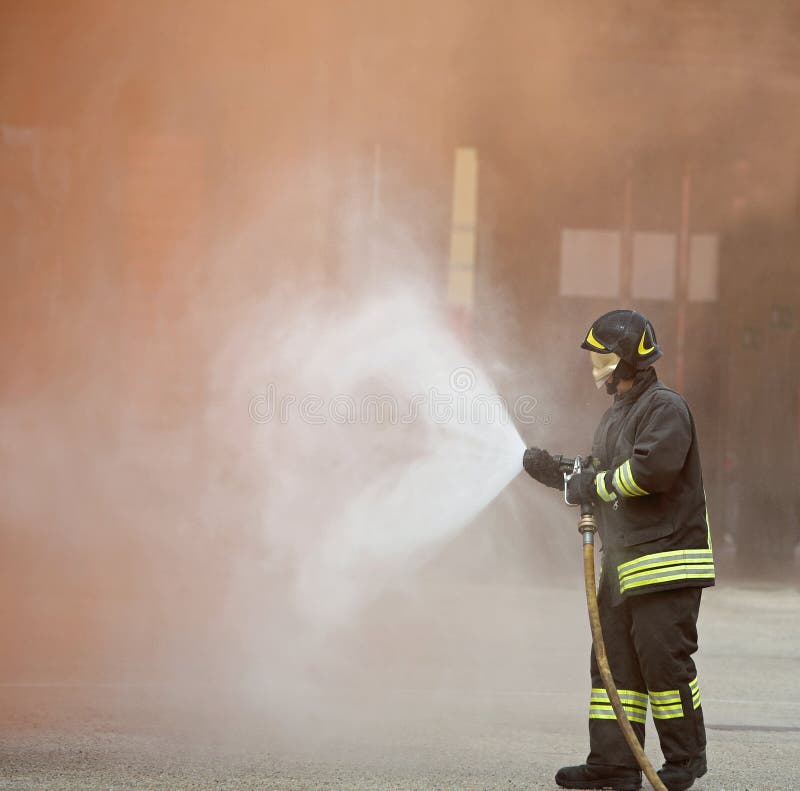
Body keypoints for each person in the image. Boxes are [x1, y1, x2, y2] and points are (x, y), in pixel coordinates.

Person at [523, 309, 714, 791]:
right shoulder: (619, 415)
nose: (597, 366)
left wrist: (595, 482)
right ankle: (614, 762)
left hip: (665, 562)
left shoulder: (665, 408)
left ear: (630, 357)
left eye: (605, 356)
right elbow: (600, 473)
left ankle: (683, 762)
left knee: (663, 663)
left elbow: (650, 472)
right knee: (615, 668)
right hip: (624, 565)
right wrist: (559, 473)